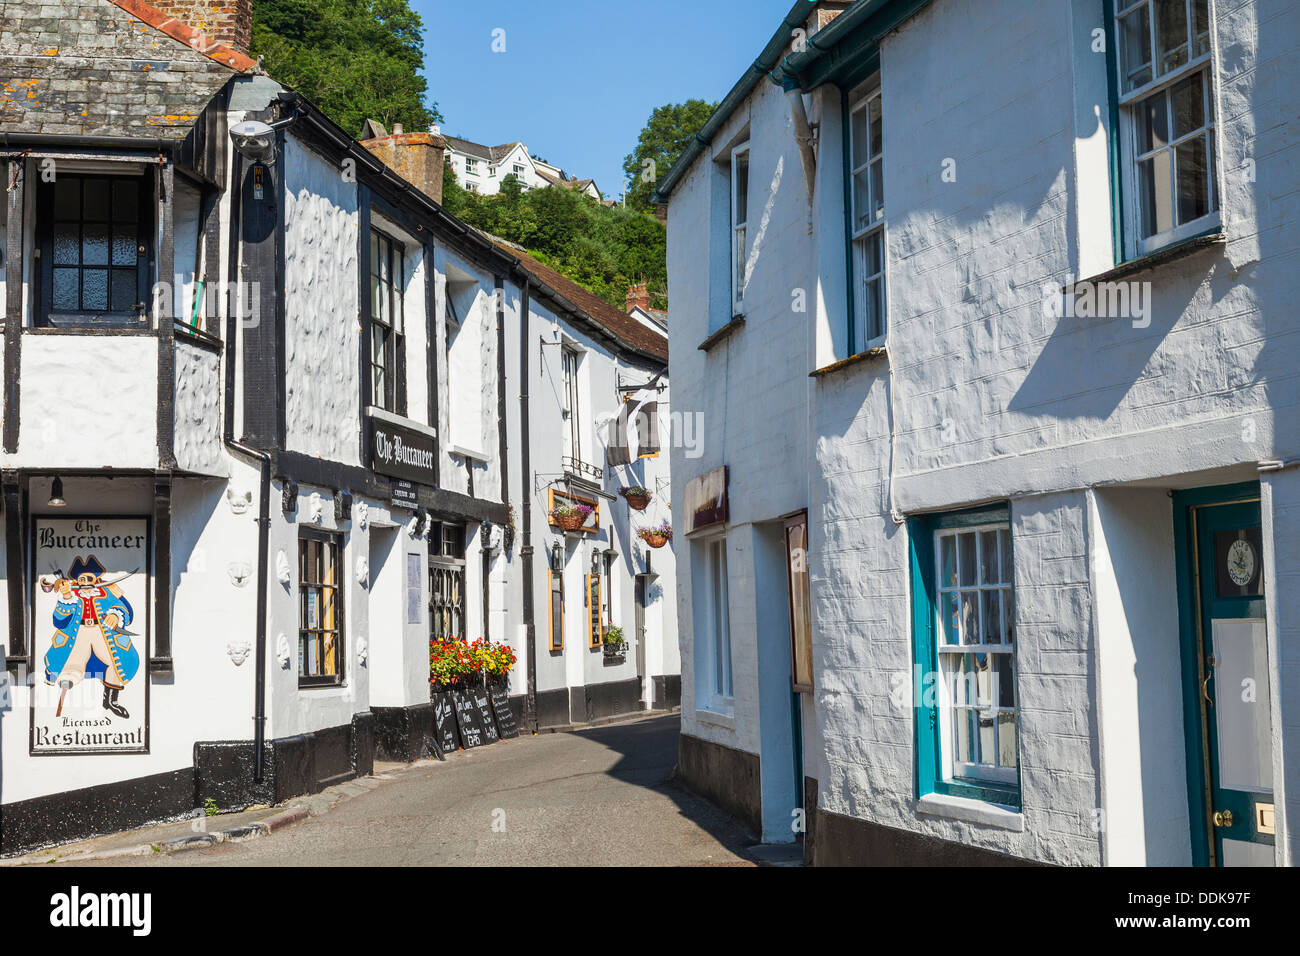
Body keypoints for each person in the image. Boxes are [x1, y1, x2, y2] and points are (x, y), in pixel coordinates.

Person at [42, 555, 139, 719]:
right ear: (77, 580)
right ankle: (65, 690)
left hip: (102, 632)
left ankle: (111, 701)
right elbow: (59, 621)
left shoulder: (107, 591)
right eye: (82, 578)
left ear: (96, 579)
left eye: (89, 578)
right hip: (78, 632)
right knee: (73, 661)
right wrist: (66, 598)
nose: (86, 582)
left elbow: (126, 609)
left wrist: (115, 615)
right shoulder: (70, 593)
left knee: (116, 660)